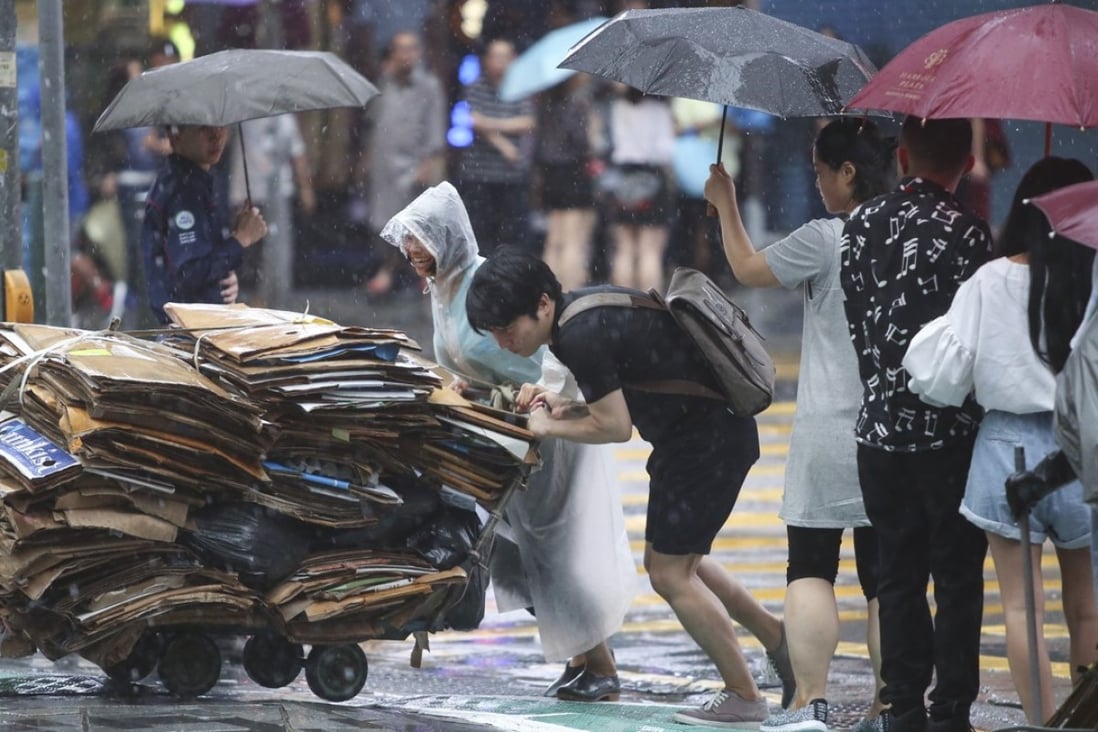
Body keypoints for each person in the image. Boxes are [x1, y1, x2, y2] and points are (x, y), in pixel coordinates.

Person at [465, 247, 796, 728]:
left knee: (671, 574)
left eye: (506, 327)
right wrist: (565, 405)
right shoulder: (580, 312)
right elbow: (625, 388)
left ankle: (744, 696)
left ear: (541, 303)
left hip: (706, 444)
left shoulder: (578, 335)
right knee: (681, 563)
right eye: (493, 332)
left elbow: (615, 427)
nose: (502, 341)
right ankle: (777, 641)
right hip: (699, 438)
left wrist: (548, 426)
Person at [379, 182, 637, 701]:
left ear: (447, 237)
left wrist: (545, 401)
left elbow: (553, 353)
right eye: (407, 242)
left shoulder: (486, 285)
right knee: (526, 554)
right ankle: (582, 658)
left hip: (551, 434)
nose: (411, 252)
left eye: (420, 240)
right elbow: (478, 364)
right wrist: (468, 388)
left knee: (557, 552)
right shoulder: (442, 290)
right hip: (506, 435)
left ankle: (601, 667)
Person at [704, 118, 892, 732]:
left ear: (848, 172)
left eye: (820, 171)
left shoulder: (826, 237)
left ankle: (808, 702)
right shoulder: (907, 232)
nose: (815, 183)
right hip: (895, 433)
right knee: (886, 581)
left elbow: (747, 267)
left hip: (828, 433)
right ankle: (889, 706)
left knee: (811, 568)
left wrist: (725, 204)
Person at [904, 157, 1098, 723]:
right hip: (1079, 451)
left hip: (1006, 454)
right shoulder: (1092, 281)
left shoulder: (988, 281)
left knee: (1021, 609)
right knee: (1087, 608)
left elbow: (942, 375)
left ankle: (1042, 722)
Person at [839, 116, 993, 732]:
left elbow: (858, 323)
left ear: (901, 157)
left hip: (878, 432)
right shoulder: (971, 231)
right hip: (950, 436)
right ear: (968, 164)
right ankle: (951, 710)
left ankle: (902, 707)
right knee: (957, 577)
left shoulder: (859, 224)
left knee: (896, 574)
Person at [141, 124, 268, 325]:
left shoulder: (197, 182)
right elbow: (188, 274)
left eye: (221, 126)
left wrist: (223, 279)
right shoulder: (182, 190)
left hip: (202, 325)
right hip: (187, 332)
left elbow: (201, 263)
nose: (216, 135)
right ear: (176, 136)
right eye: (203, 128)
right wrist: (240, 240)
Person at [352, 29, 447, 296]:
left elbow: (435, 128)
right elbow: (373, 124)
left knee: (416, 223)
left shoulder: (429, 86)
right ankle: (389, 268)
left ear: (419, 53)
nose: (406, 55)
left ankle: (417, 271)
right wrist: (365, 161)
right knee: (383, 220)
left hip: (414, 164)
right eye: (400, 49)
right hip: (384, 165)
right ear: (392, 54)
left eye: (411, 49)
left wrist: (428, 164)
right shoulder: (383, 83)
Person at [227, 113, 316, 306]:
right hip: (245, 192)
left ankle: (269, 296)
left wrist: (306, 188)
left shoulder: (284, 119)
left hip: (277, 193)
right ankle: (242, 296)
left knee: (274, 248)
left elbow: (297, 152)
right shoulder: (242, 113)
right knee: (246, 248)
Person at [458, 38, 536, 254]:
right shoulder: (476, 87)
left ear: (514, 59)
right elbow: (474, 122)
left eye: (505, 57)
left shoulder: (521, 87)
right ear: (486, 60)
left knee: (513, 235)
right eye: (495, 56)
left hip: (512, 173)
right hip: (479, 173)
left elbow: (527, 122)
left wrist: (489, 123)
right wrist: (504, 144)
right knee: (480, 233)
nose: (500, 62)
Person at [605, 86, 676, 291]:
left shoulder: (618, 107)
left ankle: (622, 302)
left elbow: (614, 142)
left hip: (624, 177)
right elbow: (666, 151)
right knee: (650, 251)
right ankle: (648, 303)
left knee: (624, 249)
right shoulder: (660, 110)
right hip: (652, 177)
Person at [534, 73, 599, 291]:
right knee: (573, 240)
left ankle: (550, 291)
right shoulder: (575, 107)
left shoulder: (545, 105)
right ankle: (570, 292)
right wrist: (592, 127)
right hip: (573, 173)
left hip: (550, 174)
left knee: (553, 240)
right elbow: (582, 143)